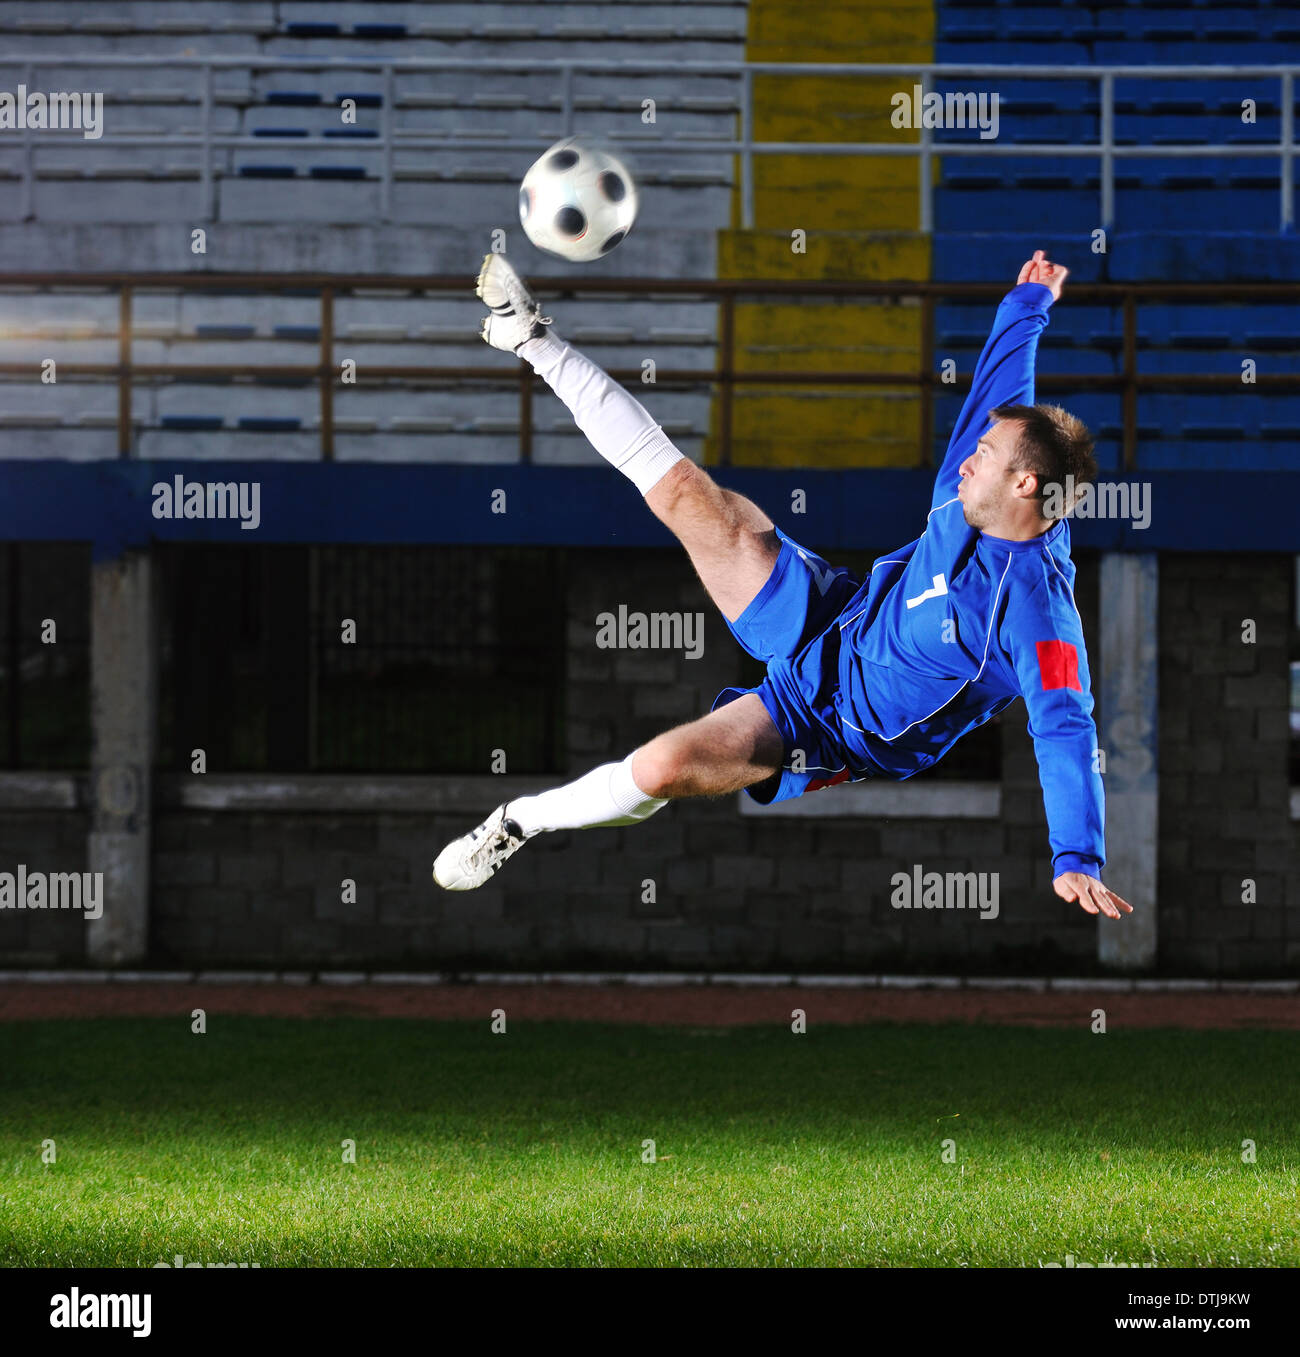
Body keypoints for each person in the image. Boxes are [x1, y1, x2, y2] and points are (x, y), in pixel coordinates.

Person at [433, 249, 1133, 924]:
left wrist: (1077, 853)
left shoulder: (1042, 614)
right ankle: (527, 336)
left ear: (1026, 486)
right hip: (834, 615)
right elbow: (1002, 389)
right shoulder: (981, 481)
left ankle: (516, 820)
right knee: (686, 493)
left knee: (662, 766)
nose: (966, 460)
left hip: (829, 728)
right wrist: (1028, 301)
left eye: (985, 455)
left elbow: (1065, 725)